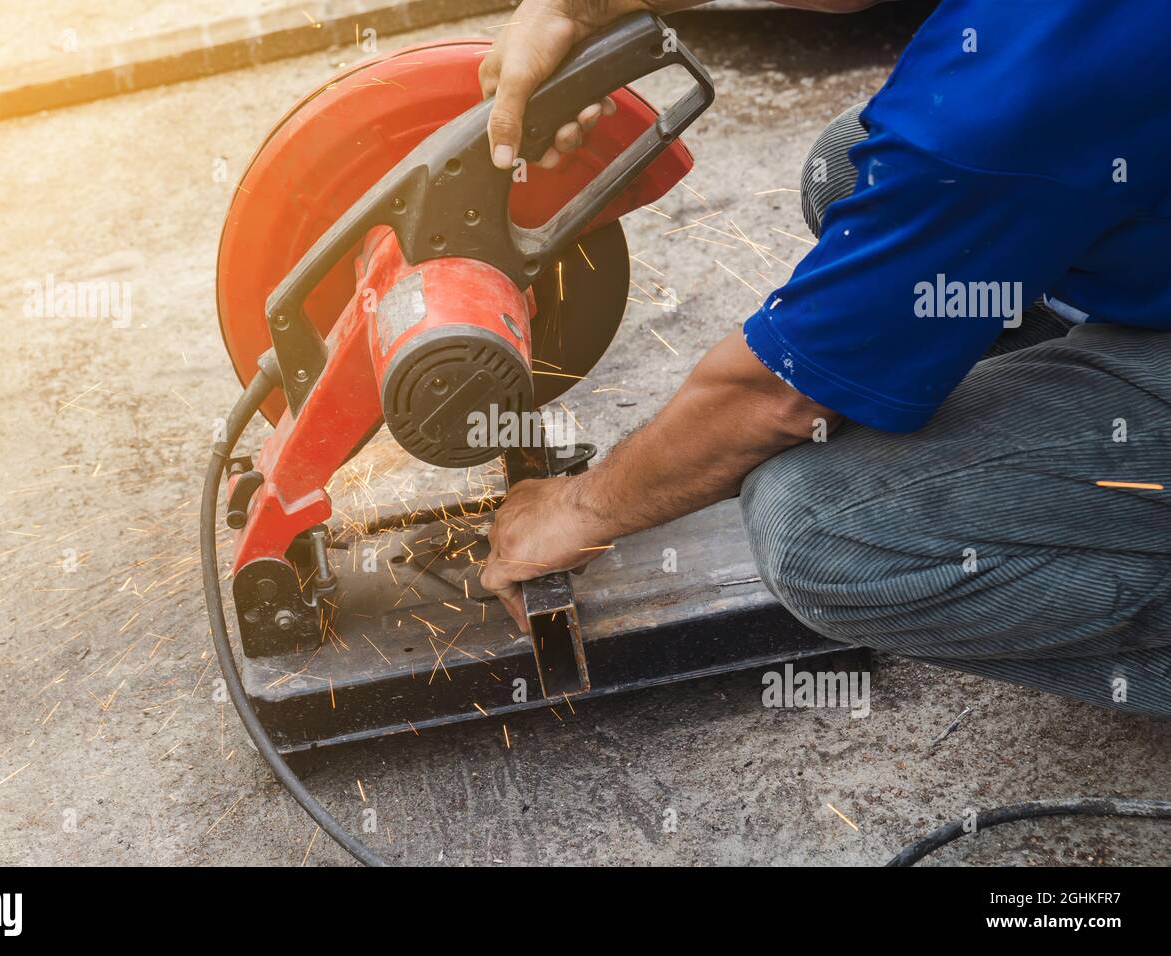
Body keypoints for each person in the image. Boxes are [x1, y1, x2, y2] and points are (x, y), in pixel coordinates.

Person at [476, 0, 1171, 717]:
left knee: (815, 531)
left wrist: (582, 508)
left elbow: (778, 399)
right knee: (849, 165)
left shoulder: (1012, 92)